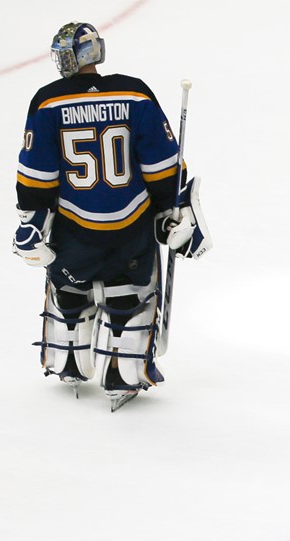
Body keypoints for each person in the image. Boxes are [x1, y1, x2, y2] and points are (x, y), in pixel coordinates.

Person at [12, 22, 211, 410]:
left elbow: (37, 172)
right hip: (130, 227)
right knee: (129, 295)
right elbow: (161, 163)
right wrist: (171, 208)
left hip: (73, 229)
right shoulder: (134, 93)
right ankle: (123, 371)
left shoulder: (47, 101)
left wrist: (31, 223)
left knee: (68, 290)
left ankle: (68, 359)